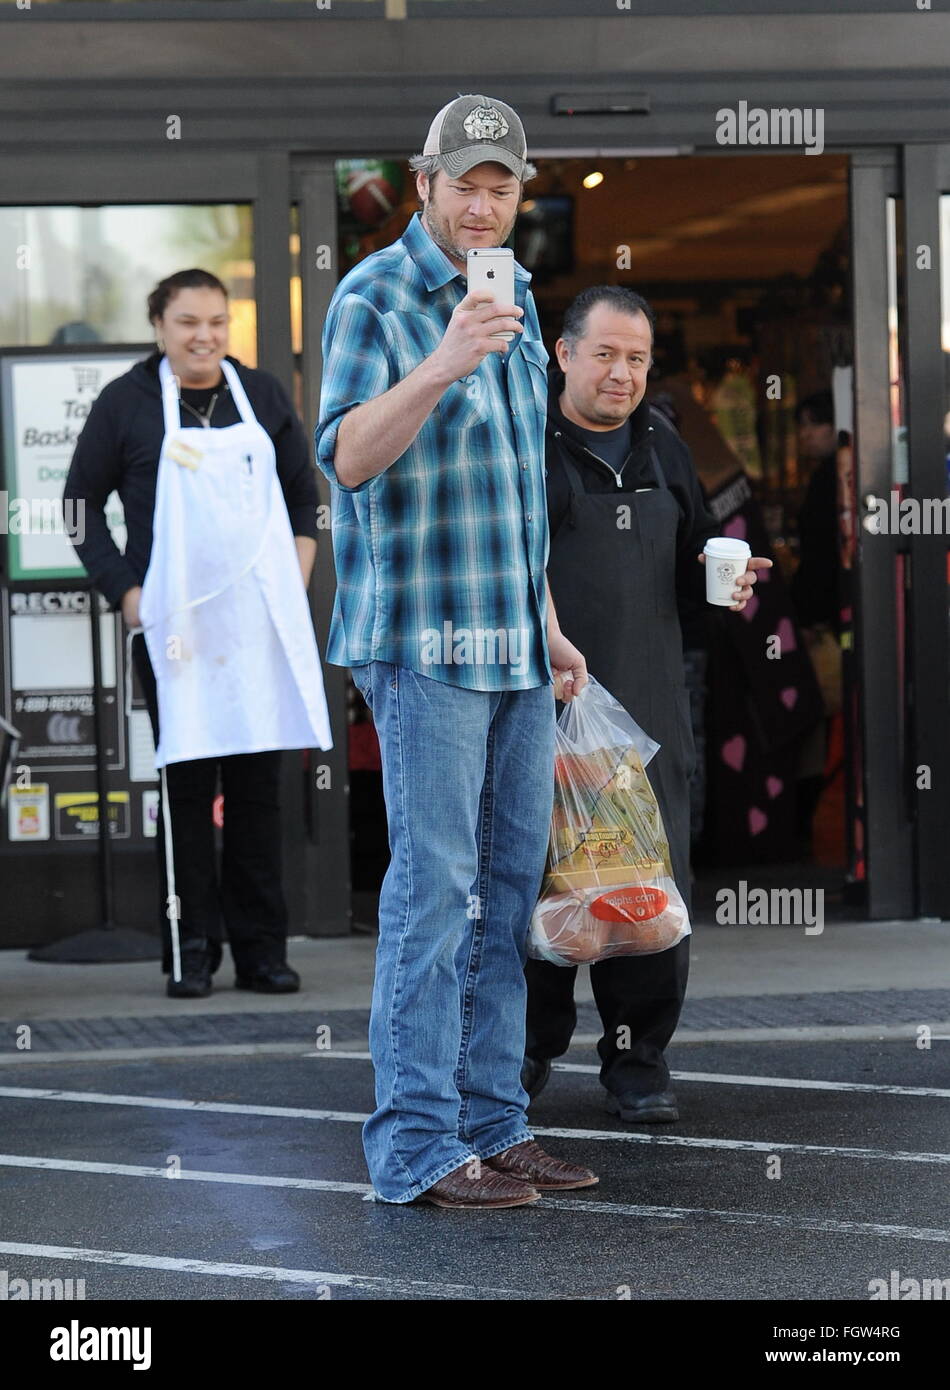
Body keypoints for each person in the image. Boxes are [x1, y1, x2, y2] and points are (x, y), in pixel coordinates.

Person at [316, 94, 596, 1210]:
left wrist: (547, 618)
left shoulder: (518, 294)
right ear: (423, 182)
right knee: (433, 894)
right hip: (424, 644)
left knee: (504, 889)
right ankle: (416, 1147)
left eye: (501, 188)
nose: (482, 206)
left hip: (514, 642)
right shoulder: (372, 295)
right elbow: (343, 459)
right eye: (463, 184)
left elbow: (519, 488)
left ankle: (492, 1121)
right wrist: (439, 363)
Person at [523, 286, 770, 1123]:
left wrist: (725, 590)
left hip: (650, 717)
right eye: (605, 354)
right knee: (542, 892)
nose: (621, 373)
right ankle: (522, 1060)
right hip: (544, 712)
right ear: (562, 354)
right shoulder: (526, 444)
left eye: (636, 358)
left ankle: (639, 1066)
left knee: (649, 896)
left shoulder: (664, 446)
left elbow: (690, 578)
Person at [63, 269, 332, 999]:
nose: (204, 336)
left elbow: (306, 497)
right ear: (158, 325)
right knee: (186, 783)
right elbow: (79, 506)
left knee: (257, 789)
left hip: (256, 623)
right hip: (174, 628)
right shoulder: (125, 405)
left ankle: (262, 952)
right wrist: (125, 591)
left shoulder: (262, 394)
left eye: (216, 322)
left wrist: (294, 577)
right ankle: (191, 953)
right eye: (187, 322)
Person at [790, 390, 843, 850]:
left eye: (814, 424)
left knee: (822, 720)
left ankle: (815, 828)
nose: (805, 435)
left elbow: (822, 561)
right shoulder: (829, 477)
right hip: (825, 621)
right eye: (802, 426)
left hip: (825, 626)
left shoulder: (833, 480)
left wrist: (807, 616)